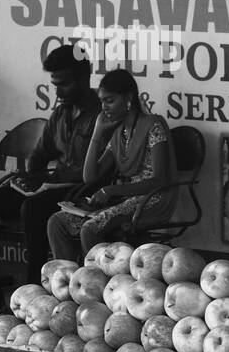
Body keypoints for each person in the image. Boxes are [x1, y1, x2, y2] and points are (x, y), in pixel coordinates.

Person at [0, 45, 99, 318]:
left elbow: (98, 171)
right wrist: (29, 177)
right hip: (50, 185)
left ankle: (32, 289)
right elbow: (41, 154)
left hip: (81, 191)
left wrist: (50, 182)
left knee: (32, 208)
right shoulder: (61, 114)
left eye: (65, 84)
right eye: (55, 84)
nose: (59, 91)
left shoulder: (102, 115)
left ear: (85, 78)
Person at [46, 70, 174, 259]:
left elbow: (160, 180)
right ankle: (68, 279)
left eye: (110, 100)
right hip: (125, 199)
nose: (104, 107)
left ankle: (97, 282)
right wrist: (98, 132)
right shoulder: (120, 133)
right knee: (57, 221)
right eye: (102, 101)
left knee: (90, 229)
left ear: (129, 97)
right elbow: (89, 177)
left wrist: (111, 191)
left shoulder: (153, 126)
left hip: (152, 199)